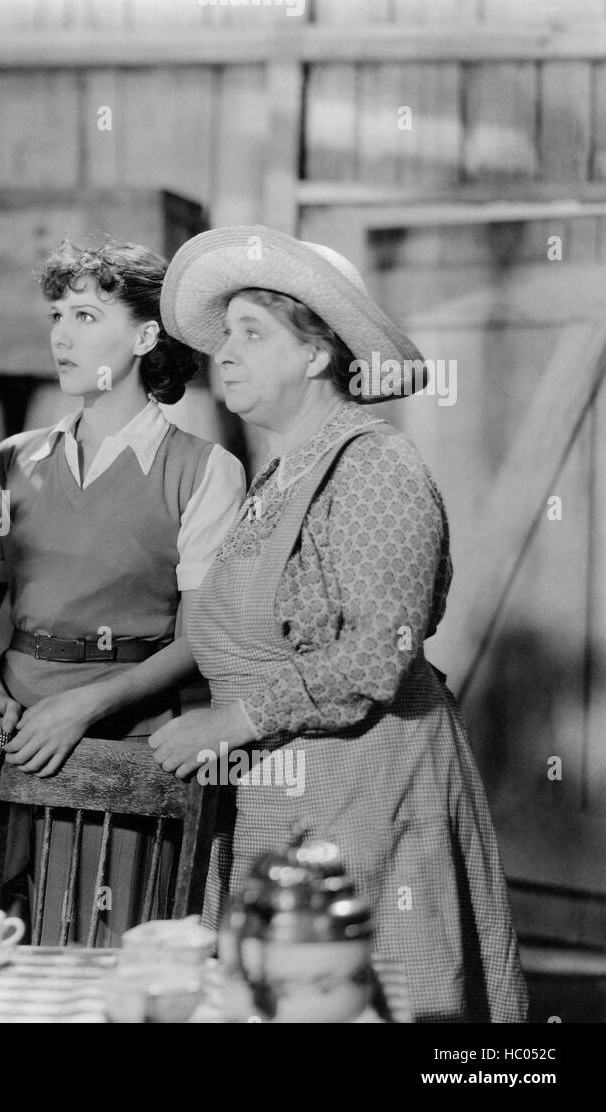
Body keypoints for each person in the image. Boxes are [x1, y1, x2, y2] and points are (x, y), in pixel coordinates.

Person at [153, 224, 527, 1021]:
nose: (226, 353)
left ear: (319, 353)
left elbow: (373, 658)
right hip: (281, 793)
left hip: (369, 791)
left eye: (252, 333)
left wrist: (234, 721)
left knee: (373, 999)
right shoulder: (281, 477)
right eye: (223, 337)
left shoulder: (373, 465)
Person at [0, 238, 245, 944]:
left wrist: (85, 707)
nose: (60, 335)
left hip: (132, 750)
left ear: (145, 336)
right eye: (56, 314)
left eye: (85, 315)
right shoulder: (12, 459)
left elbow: (201, 641)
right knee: (3, 947)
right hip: (14, 744)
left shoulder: (205, 471)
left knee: (109, 946)